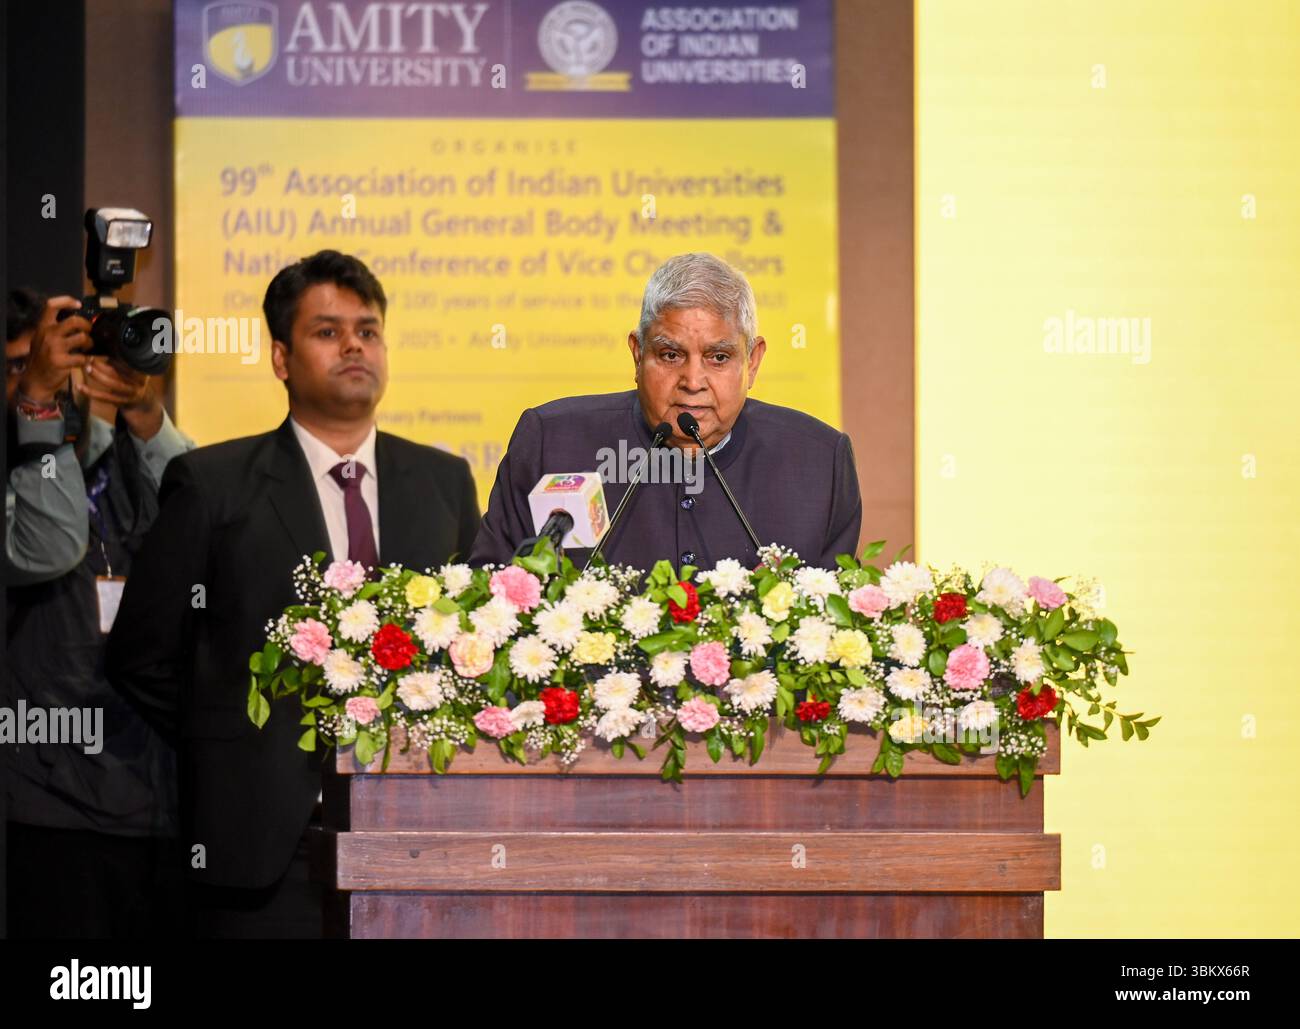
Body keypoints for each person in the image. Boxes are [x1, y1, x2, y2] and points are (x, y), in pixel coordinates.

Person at [105, 250, 480, 938]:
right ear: (280, 357)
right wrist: (239, 734)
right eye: (327, 331)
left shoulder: (443, 482)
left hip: (421, 844)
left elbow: (478, 647)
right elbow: (141, 655)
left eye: (367, 330)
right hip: (263, 854)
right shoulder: (212, 482)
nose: (354, 346)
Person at [471, 252, 862, 571]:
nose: (693, 380)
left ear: (753, 362)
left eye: (719, 357)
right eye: (670, 354)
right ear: (638, 355)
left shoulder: (817, 464)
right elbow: (490, 599)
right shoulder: (552, 444)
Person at [5, 287, 193, 938]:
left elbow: (197, 527)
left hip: (150, 789)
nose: (46, 380)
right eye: (19, 367)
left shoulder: (112, 458)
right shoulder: (27, 467)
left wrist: (144, 413)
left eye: (57, 365)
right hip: (44, 803)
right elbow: (48, 544)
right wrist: (36, 405)